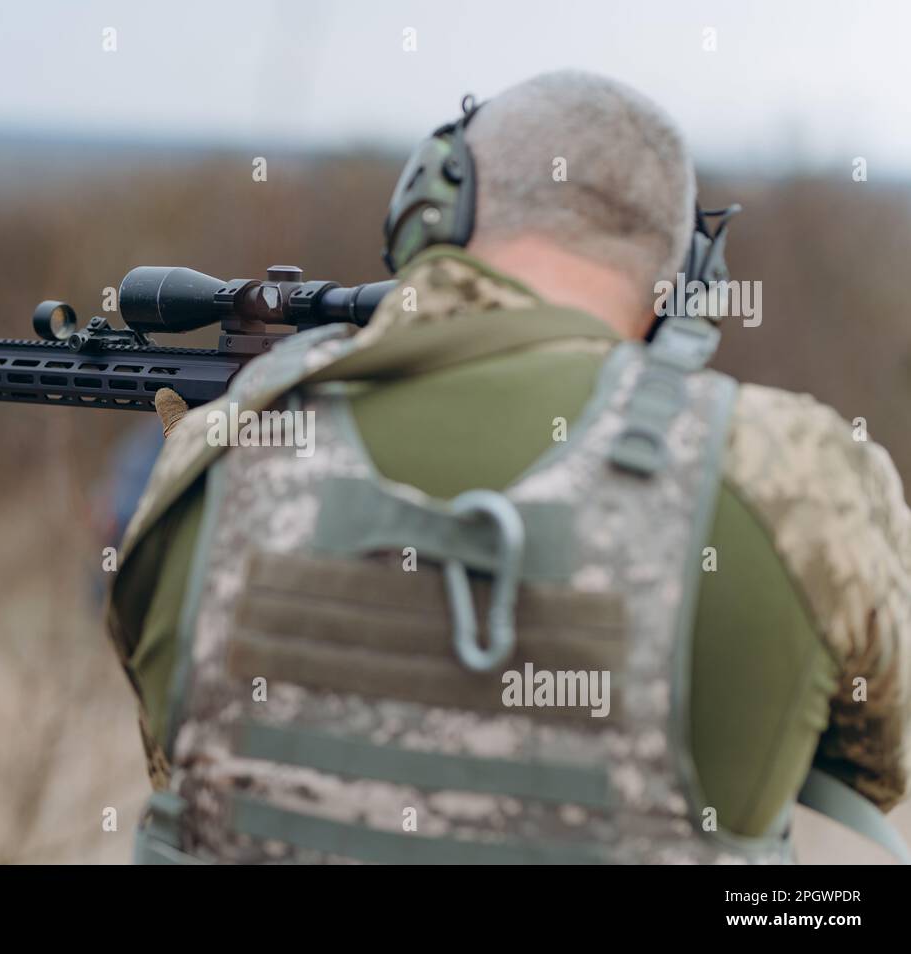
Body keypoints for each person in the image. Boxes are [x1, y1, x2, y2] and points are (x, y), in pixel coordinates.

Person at [105, 70, 911, 864]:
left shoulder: (218, 458)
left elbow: (181, 756)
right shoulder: (796, 478)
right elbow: (878, 767)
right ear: (686, 285)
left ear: (429, 210)